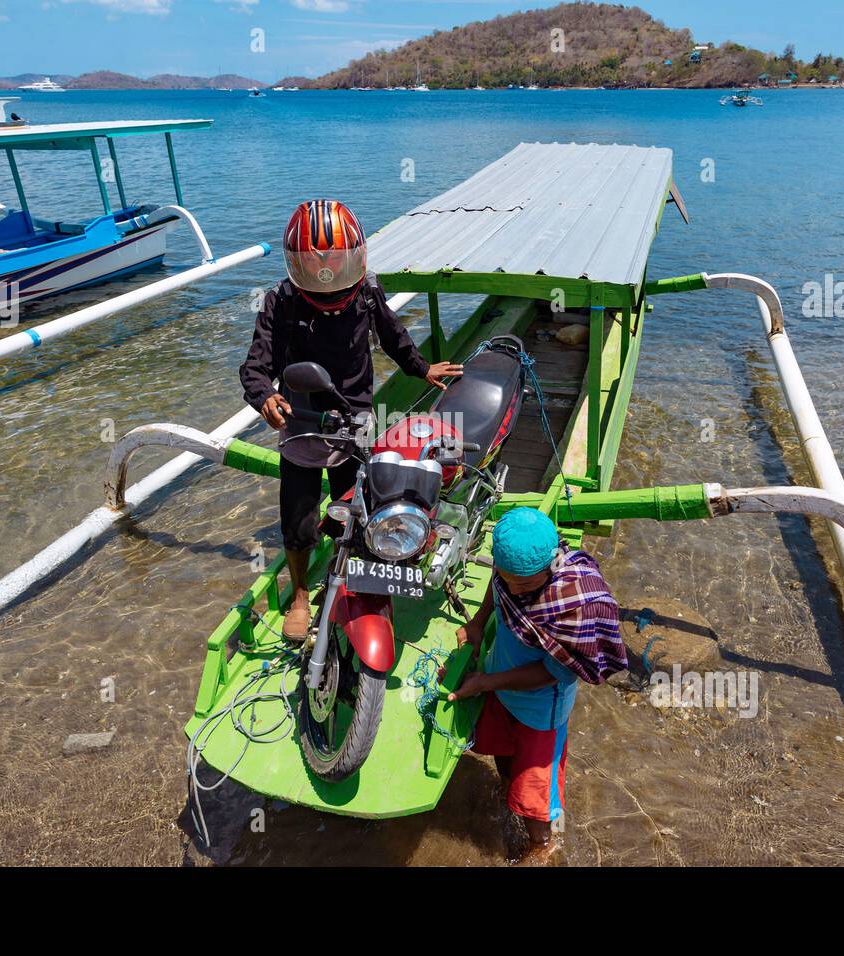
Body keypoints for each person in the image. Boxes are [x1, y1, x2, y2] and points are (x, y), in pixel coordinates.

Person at [239, 199, 462, 640]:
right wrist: (265, 398)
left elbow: (394, 336)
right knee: (298, 519)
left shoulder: (366, 292)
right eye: (316, 265)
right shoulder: (279, 301)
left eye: (338, 262)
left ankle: (354, 577)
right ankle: (301, 593)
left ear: (354, 257)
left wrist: (421, 367)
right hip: (300, 419)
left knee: (357, 506)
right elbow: (254, 366)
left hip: (354, 416)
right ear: (297, 264)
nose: (329, 276)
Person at [449, 507, 627, 859]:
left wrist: (485, 682)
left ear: (551, 564)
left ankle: (542, 844)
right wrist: (478, 622)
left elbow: (551, 672)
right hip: (500, 688)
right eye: (508, 577)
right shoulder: (512, 574)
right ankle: (505, 789)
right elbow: (499, 586)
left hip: (540, 709)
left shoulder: (575, 604)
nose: (516, 590)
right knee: (501, 752)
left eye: (527, 583)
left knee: (536, 793)